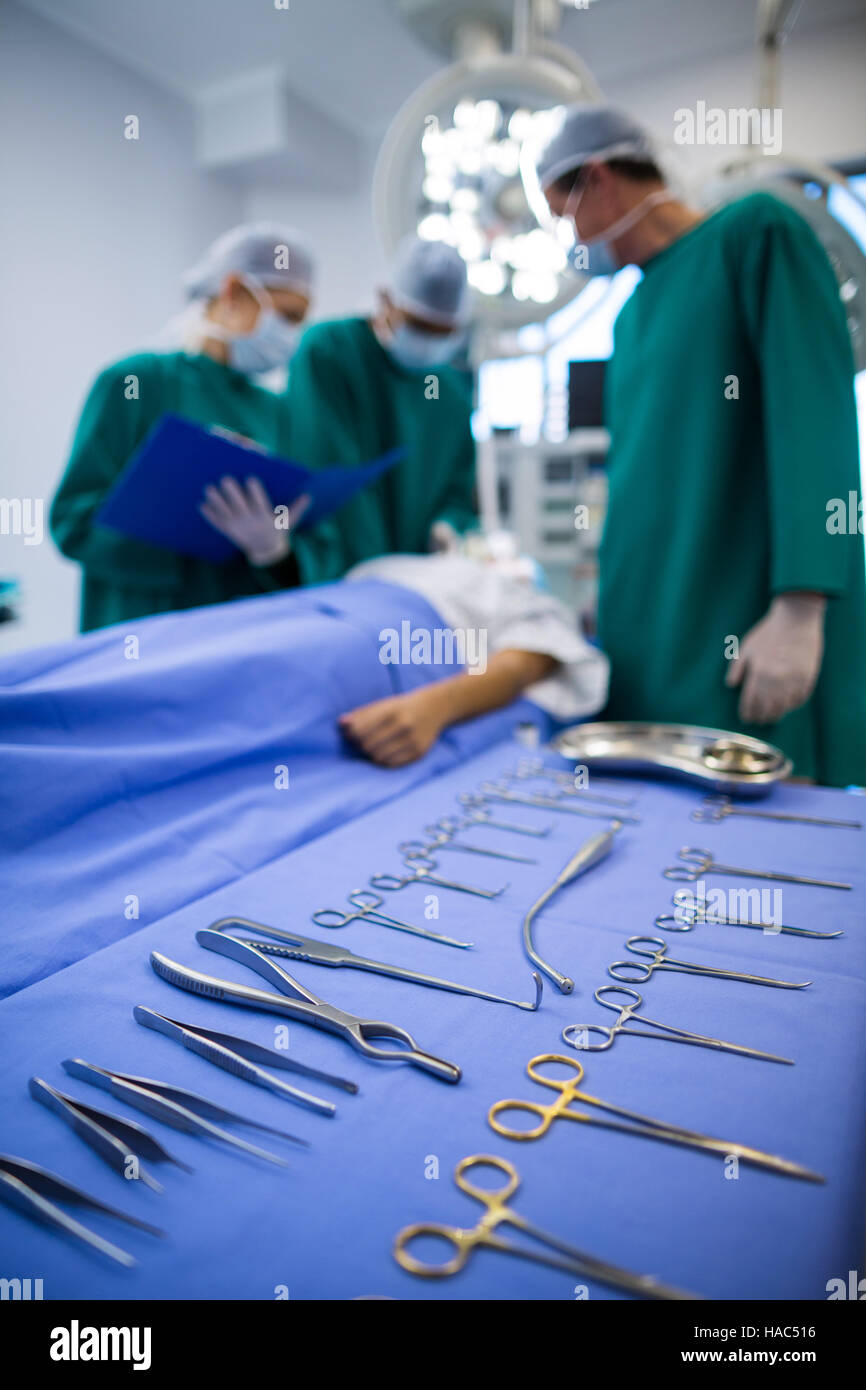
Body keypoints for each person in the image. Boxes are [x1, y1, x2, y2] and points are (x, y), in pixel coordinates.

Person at [534, 104, 866, 787]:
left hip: (741, 624)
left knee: (762, 828)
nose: (569, 236)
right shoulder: (631, 315)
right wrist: (608, 581)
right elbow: (640, 472)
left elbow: (815, 415)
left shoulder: (754, 235)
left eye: (563, 212)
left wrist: (801, 608)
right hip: (647, 629)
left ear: (597, 179)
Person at [51, 223, 315, 631]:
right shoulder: (136, 383)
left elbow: (290, 544)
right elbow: (72, 523)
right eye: (287, 315)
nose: (292, 334)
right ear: (232, 292)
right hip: (139, 636)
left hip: (234, 637)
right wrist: (183, 534)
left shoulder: (274, 410)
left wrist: (272, 550)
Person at [284, 236, 477, 584]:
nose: (430, 341)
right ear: (385, 300)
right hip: (340, 576)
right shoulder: (329, 353)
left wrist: (448, 526)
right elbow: (329, 477)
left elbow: (458, 493)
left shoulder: (450, 393)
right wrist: (374, 574)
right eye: (419, 325)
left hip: (421, 583)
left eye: (443, 332)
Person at [339, 551, 608, 766]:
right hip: (357, 599)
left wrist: (431, 707)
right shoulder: (467, 576)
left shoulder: (526, 603)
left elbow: (538, 655)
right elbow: (528, 659)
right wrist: (434, 707)